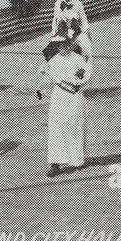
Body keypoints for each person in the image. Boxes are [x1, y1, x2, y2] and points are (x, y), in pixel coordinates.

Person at [43, 34, 90, 177]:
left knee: (74, 127)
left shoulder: (78, 60)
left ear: (70, 44)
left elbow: (85, 76)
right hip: (58, 98)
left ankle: (76, 160)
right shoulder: (54, 61)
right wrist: (45, 79)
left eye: (65, 44)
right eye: (59, 45)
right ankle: (55, 163)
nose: (62, 47)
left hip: (74, 98)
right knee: (56, 127)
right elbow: (46, 82)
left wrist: (75, 80)